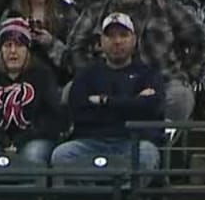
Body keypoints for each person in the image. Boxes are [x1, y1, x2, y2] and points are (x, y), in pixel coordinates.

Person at [67, 0, 205, 121]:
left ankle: (163, 144)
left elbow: (202, 39)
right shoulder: (96, 12)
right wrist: (91, 76)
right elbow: (75, 46)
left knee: (180, 96)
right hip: (107, 85)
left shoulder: (167, 8)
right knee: (70, 91)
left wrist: (188, 75)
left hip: (162, 83)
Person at [51, 12, 164, 171]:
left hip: (133, 141)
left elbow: (151, 108)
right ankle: (96, 192)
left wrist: (105, 102)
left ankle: (125, 193)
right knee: (62, 155)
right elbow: (79, 111)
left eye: (123, 35)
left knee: (147, 154)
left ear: (134, 40)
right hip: (91, 141)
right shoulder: (87, 74)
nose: (117, 41)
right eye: (110, 36)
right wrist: (131, 104)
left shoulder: (148, 74)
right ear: (101, 42)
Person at [0, 17, 64, 164]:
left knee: (34, 154)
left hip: (32, 139)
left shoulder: (43, 75)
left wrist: (23, 138)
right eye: (7, 45)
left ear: (27, 50)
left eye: (19, 45)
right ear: (0, 51)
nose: (13, 51)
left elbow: (52, 118)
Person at [2, 0, 80, 83]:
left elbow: (76, 58)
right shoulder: (13, 13)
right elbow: (0, 54)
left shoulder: (66, 10)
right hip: (22, 78)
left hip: (59, 77)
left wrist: (51, 43)